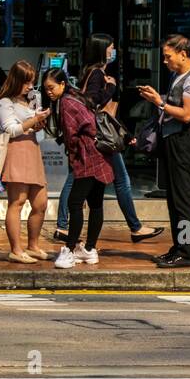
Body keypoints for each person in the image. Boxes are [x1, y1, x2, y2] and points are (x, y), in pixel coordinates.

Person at [54, 34, 162, 244]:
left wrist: (126, 133)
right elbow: (92, 102)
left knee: (79, 177)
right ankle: (134, 227)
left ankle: (63, 225)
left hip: (101, 134)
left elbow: (107, 113)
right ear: (102, 49)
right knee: (120, 181)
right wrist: (111, 88)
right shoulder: (97, 74)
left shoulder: (92, 72)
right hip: (100, 137)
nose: (114, 51)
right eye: (111, 47)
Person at [139, 34, 190, 269]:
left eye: (168, 57)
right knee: (173, 200)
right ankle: (178, 247)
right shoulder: (178, 77)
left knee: (183, 202)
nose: (165, 61)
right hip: (172, 142)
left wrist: (159, 102)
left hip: (183, 143)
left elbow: (187, 114)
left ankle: (186, 252)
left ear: (183, 54)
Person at [44, 68, 113, 269]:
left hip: (87, 157)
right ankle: (90, 249)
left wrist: (72, 156)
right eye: (46, 88)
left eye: (51, 87)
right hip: (100, 154)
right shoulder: (76, 96)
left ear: (63, 84)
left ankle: (69, 249)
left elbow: (72, 136)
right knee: (95, 203)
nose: (49, 92)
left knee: (75, 203)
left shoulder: (65, 103)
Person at [0, 61, 52, 263]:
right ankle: (16, 250)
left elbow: (39, 133)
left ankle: (33, 245)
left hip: (33, 150)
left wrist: (38, 123)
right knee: (17, 202)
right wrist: (34, 120)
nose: (30, 87)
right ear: (16, 81)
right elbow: (10, 129)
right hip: (16, 151)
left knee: (41, 203)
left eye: (32, 82)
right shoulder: (5, 103)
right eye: (26, 82)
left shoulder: (33, 100)